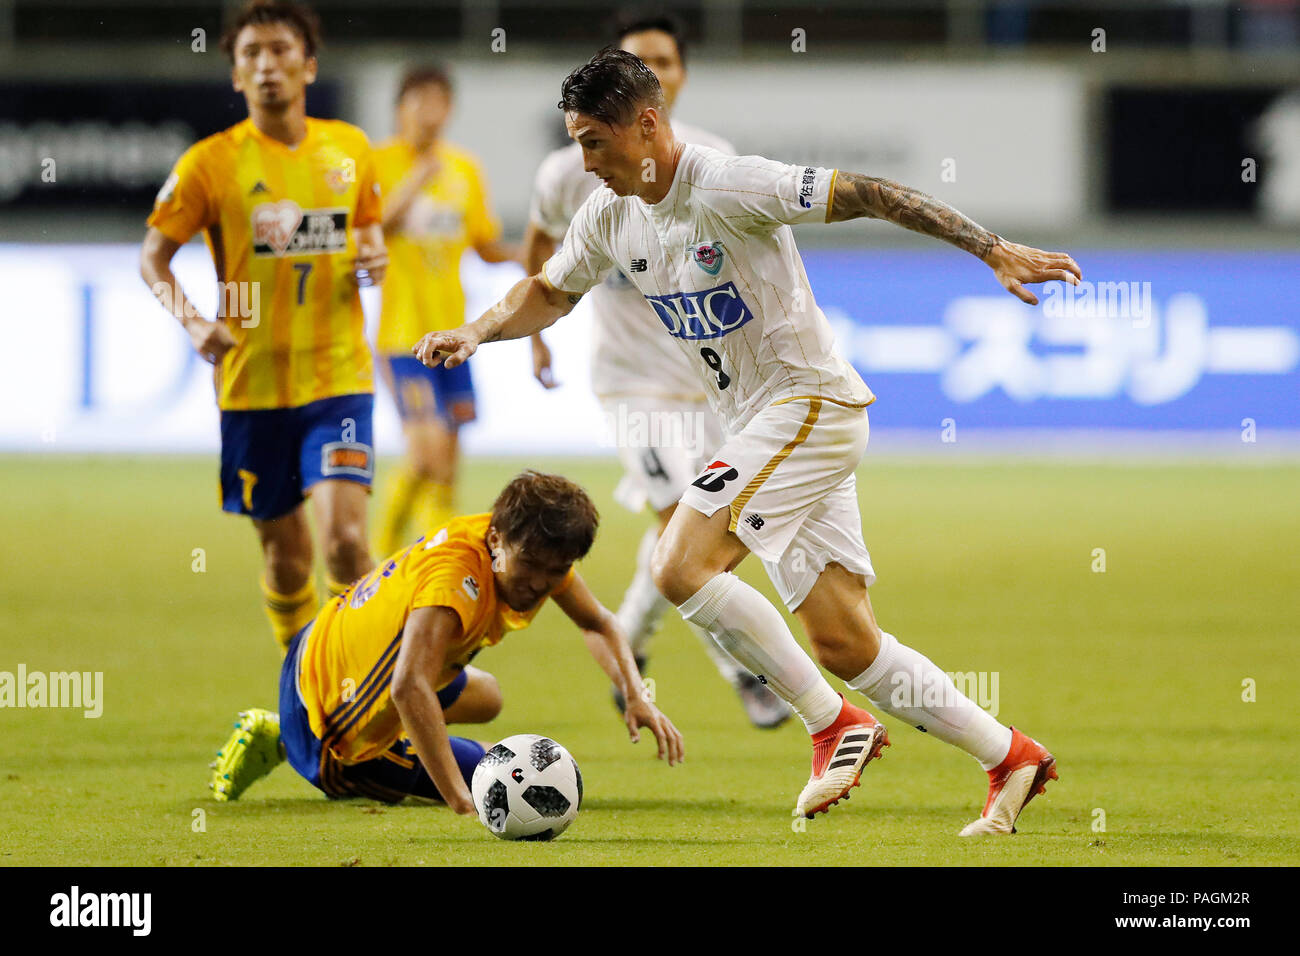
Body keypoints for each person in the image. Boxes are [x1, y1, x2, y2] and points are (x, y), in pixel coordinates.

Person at [413, 50, 1082, 835]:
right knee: (844, 639)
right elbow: (549, 291)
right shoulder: (609, 215)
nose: (584, 161)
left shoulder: (728, 184)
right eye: (576, 141)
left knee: (677, 563)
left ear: (648, 125)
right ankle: (1011, 756)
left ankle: (834, 725)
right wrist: (477, 330)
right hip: (767, 426)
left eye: (595, 141)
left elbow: (868, 192)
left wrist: (990, 247)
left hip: (810, 403)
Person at [523, 10, 788, 729]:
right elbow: (541, 249)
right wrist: (537, 337)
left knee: (694, 532)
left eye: (666, 63)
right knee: (685, 523)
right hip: (630, 386)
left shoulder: (709, 159)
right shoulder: (568, 170)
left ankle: (627, 642)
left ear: (679, 77)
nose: (657, 74)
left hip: (712, 384)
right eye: (641, 62)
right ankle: (749, 672)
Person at [209, 470, 683, 810]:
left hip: (324, 646)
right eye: (532, 566)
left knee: (489, 698)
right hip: (335, 731)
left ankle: (308, 728)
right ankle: (289, 740)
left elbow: (598, 623)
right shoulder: (454, 585)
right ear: (497, 540)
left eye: (556, 570)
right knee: (494, 784)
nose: (541, 583)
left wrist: (635, 695)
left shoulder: (515, 538)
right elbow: (408, 686)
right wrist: (459, 797)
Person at [140, 0, 386, 653]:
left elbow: (368, 230)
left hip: (338, 379)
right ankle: (305, 680)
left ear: (307, 66)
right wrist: (193, 323)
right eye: (251, 54)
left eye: (280, 50)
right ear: (236, 77)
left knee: (348, 542)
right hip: (252, 389)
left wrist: (373, 255)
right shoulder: (210, 164)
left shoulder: (350, 149)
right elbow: (152, 259)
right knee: (286, 559)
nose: (266, 64)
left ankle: (364, 676)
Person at [372, 64, 515, 556]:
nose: (429, 112)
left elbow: (485, 245)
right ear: (400, 108)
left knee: (447, 462)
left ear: (449, 109)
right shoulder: (380, 164)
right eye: (419, 101)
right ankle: (378, 554)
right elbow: (372, 228)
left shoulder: (465, 169)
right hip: (401, 335)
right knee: (426, 451)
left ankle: (431, 561)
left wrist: (534, 253)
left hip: (454, 334)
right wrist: (416, 179)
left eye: (439, 102)